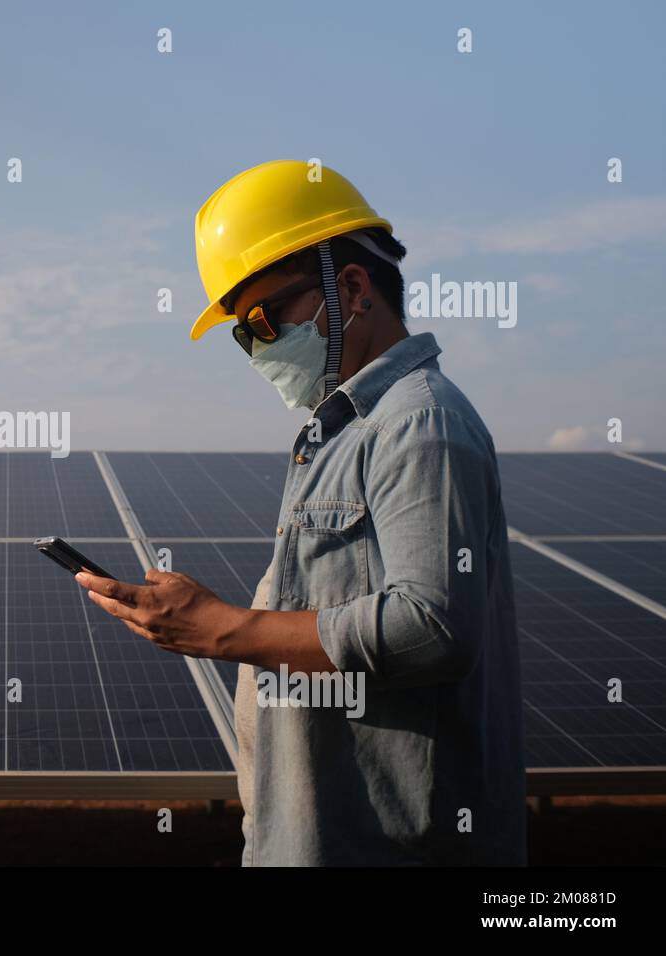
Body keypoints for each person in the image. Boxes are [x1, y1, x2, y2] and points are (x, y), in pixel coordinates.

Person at [75, 160, 526, 865]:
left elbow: (436, 627)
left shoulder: (418, 424)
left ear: (349, 288)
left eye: (261, 320)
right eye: (239, 333)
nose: (254, 348)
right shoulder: (338, 433)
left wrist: (224, 629)